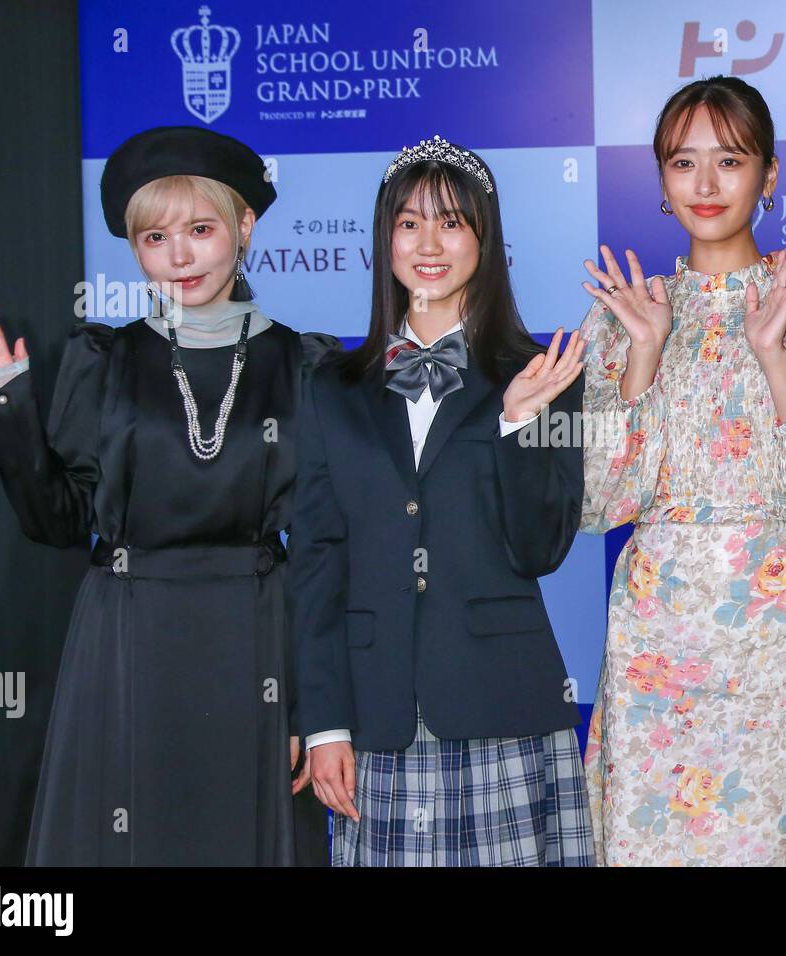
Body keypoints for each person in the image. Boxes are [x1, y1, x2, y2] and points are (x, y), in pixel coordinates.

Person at [0, 125, 338, 865]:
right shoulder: (104, 361)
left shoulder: (305, 363)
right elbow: (57, 522)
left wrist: (311, 708)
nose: (178, 256)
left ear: (244, 226)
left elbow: (322, 544)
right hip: (127, 635)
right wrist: (5, 408)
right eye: (154, 237)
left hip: (256, 637)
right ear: (134, 248)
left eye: (199, 230)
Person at [578, 77, 786, 866]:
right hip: (657, 642)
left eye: (731, 160)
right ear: (660, 179)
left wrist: (775, 357)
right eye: (683, 163)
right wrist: (644, 352)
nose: (706, 185)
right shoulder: (625, 313)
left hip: (779, 639)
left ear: (770, 175)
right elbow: (599, 503)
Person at [292, 134, 594, 866]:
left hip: (502, 704)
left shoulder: (542, 371)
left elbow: (541, 548)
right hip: (378, 713)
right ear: (385, 239)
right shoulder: (330, 385)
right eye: (409, 222)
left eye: (452, 221)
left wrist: (517, 423)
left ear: (485, 242)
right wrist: (325, 722)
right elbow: (315, 561)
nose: (430, 242)